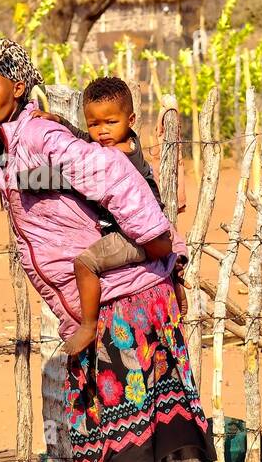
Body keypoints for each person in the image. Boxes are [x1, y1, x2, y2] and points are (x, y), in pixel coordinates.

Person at [0, 36, 214, 462]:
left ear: (17, 88)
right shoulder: (11, 146)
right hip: (85, 308)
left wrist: (153, 238)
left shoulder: (42, 137)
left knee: (130, 429)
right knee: (92, 424)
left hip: (126, 297)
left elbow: (114, 175)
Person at [28, 76, 188, 355]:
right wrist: (58, 121)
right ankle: (175, 282)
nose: (101, 132)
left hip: (132, 233)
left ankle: (88, 326)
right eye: (94, 124)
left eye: (110, 123)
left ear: (131, 120)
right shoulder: (107, 143)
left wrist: (29, 179)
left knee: (85, 264)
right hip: (145, 230)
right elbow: (80, 138)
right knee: (160, 259)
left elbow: (83, 156)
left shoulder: (120, 153)